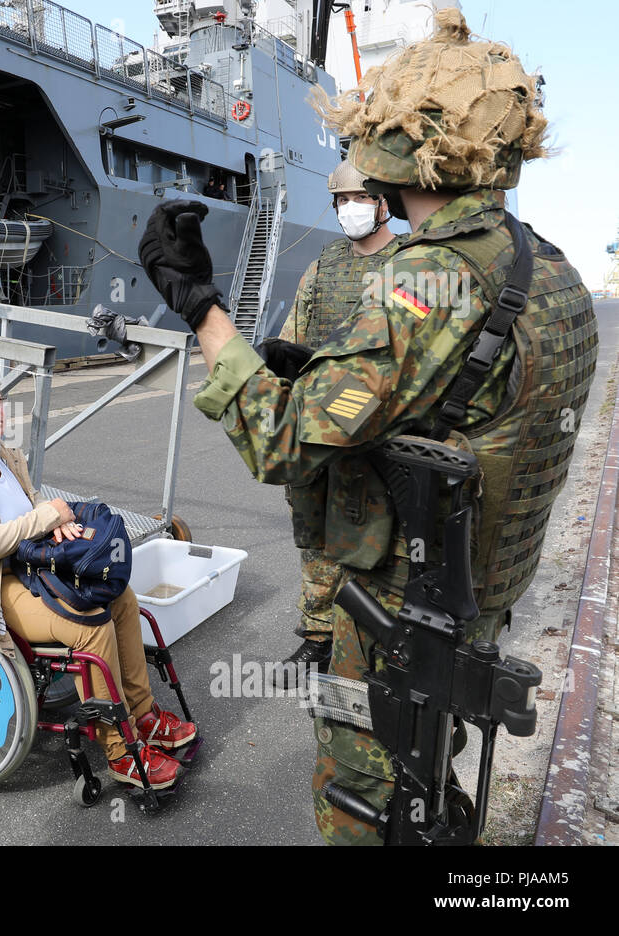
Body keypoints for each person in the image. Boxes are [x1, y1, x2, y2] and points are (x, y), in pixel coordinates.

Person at [138, 10, 597, 843]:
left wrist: (200, 306)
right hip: (477, 596)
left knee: (363, 801)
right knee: (422, 775)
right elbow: (464, 404)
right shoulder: (547, 265)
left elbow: (277, 441)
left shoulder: (430, 277)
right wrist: (309, 365)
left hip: (401, 608)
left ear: (397, 148)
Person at [0, 369, 196, 789]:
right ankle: (120, 750)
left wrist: (57, 524)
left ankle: (145, 714)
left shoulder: (5, 457)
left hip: (30, 564)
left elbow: (31, 506)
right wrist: (45, 517)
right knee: (89, 624)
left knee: (121, 598)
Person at [270, 160, 400, 685]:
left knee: (378, 535)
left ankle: (375, 639)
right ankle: (319, 636)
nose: (350, 209)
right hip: (322, 421)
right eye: (342, 201)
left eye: (360, 199)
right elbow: (294, 333)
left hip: (379, 427)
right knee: (315, 533)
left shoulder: (410, 265)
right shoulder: (324, 266)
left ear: (384, 202)